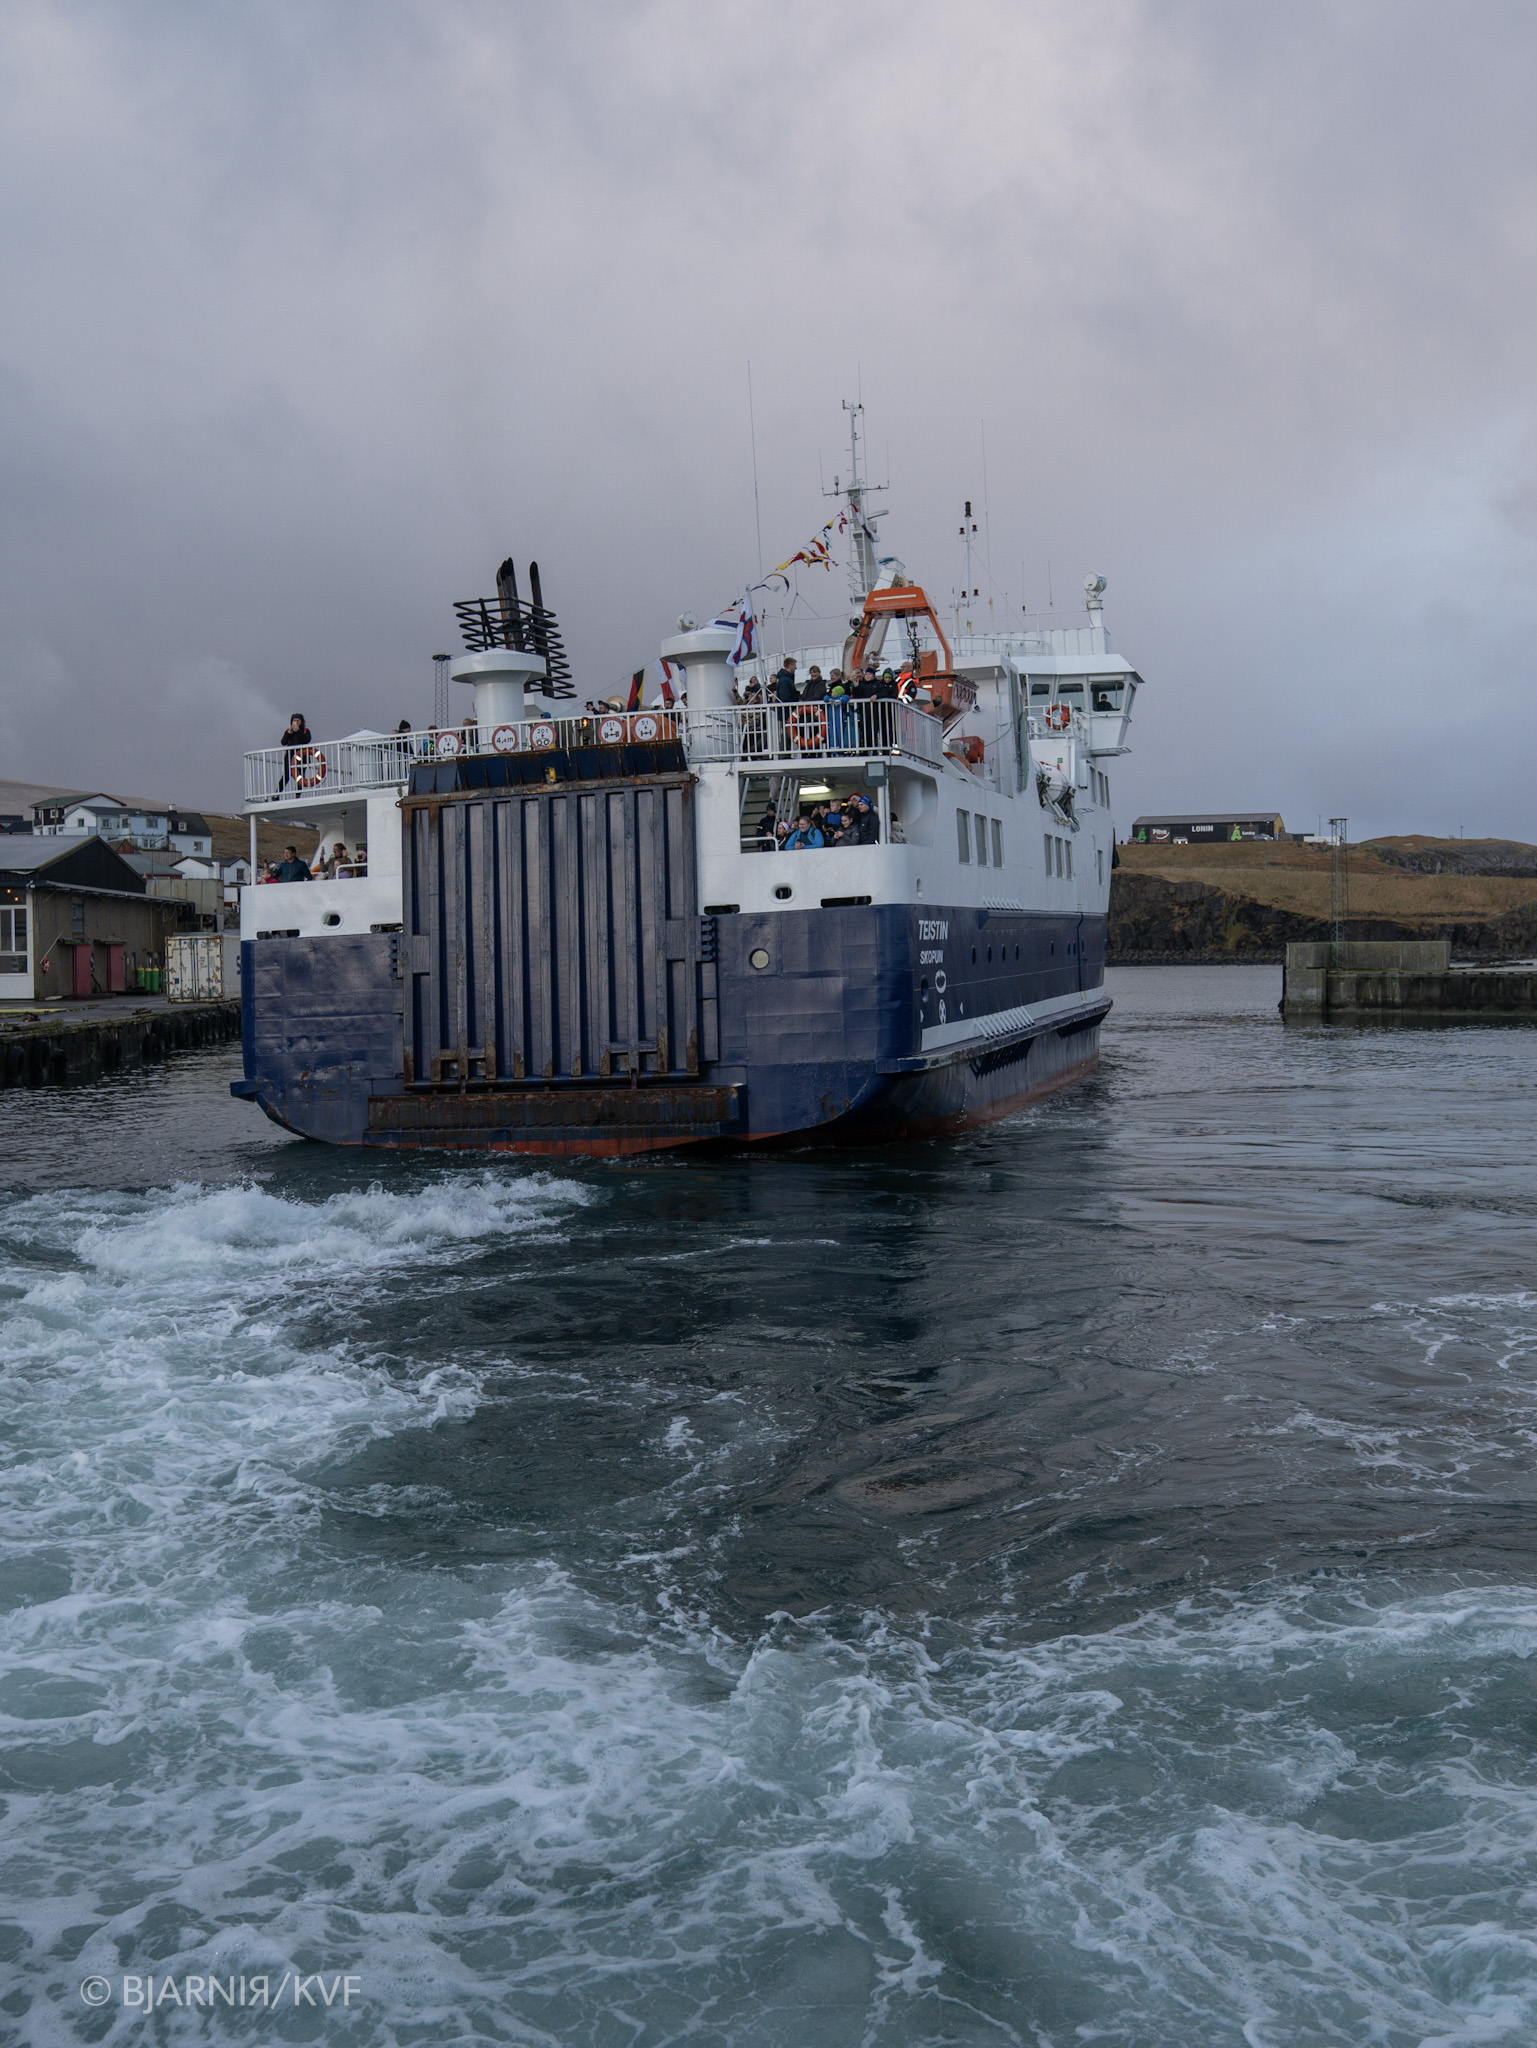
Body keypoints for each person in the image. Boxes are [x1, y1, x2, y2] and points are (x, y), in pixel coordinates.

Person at [277, 712, 312, 792]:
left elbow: (306, 740)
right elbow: (283, 742)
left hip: (302, 756)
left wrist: (298, 731)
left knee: (300, 775)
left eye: (298, 720)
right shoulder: (288, 731)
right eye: (294, 721)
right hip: (290, 756)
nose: (296, 722)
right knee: (286, 775)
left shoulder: (306, 731)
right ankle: (277, 793)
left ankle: (298, 794)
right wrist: (288, 733)